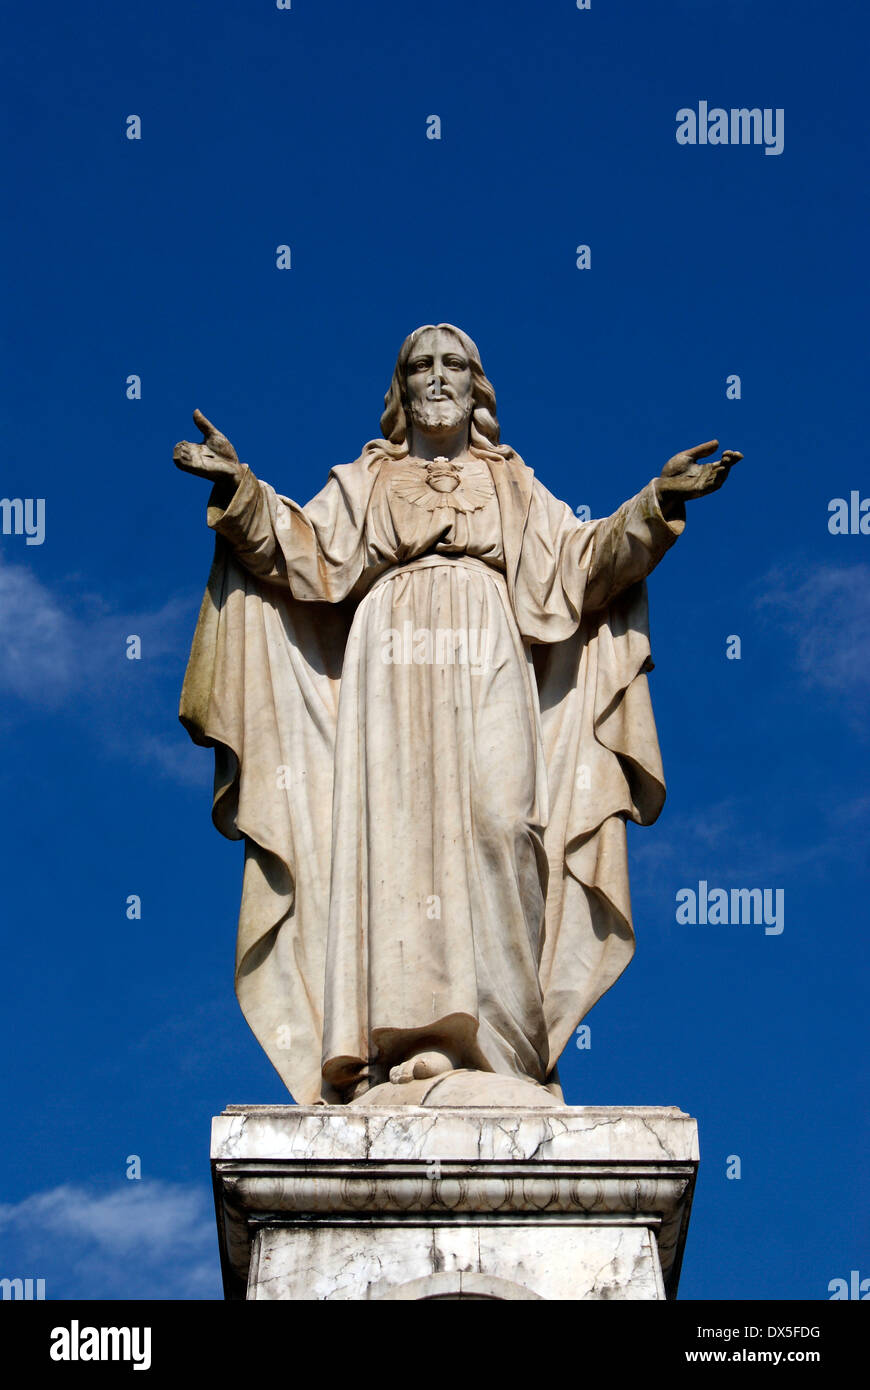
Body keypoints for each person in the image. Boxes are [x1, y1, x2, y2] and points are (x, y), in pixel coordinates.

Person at [175, 323, 740, 1105]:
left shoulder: (510, 482)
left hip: (487, 647)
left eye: (455, 366)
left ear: (479, 389)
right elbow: (298, 547)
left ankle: (504, 1046)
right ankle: (405, 1047)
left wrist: (657, 504)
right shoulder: (368, 479)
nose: (438, 378)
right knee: (397, 839)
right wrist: (238, 489)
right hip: (391, 649)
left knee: (504, 822)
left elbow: (582, 565)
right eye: (421, 366)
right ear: (401, 389)